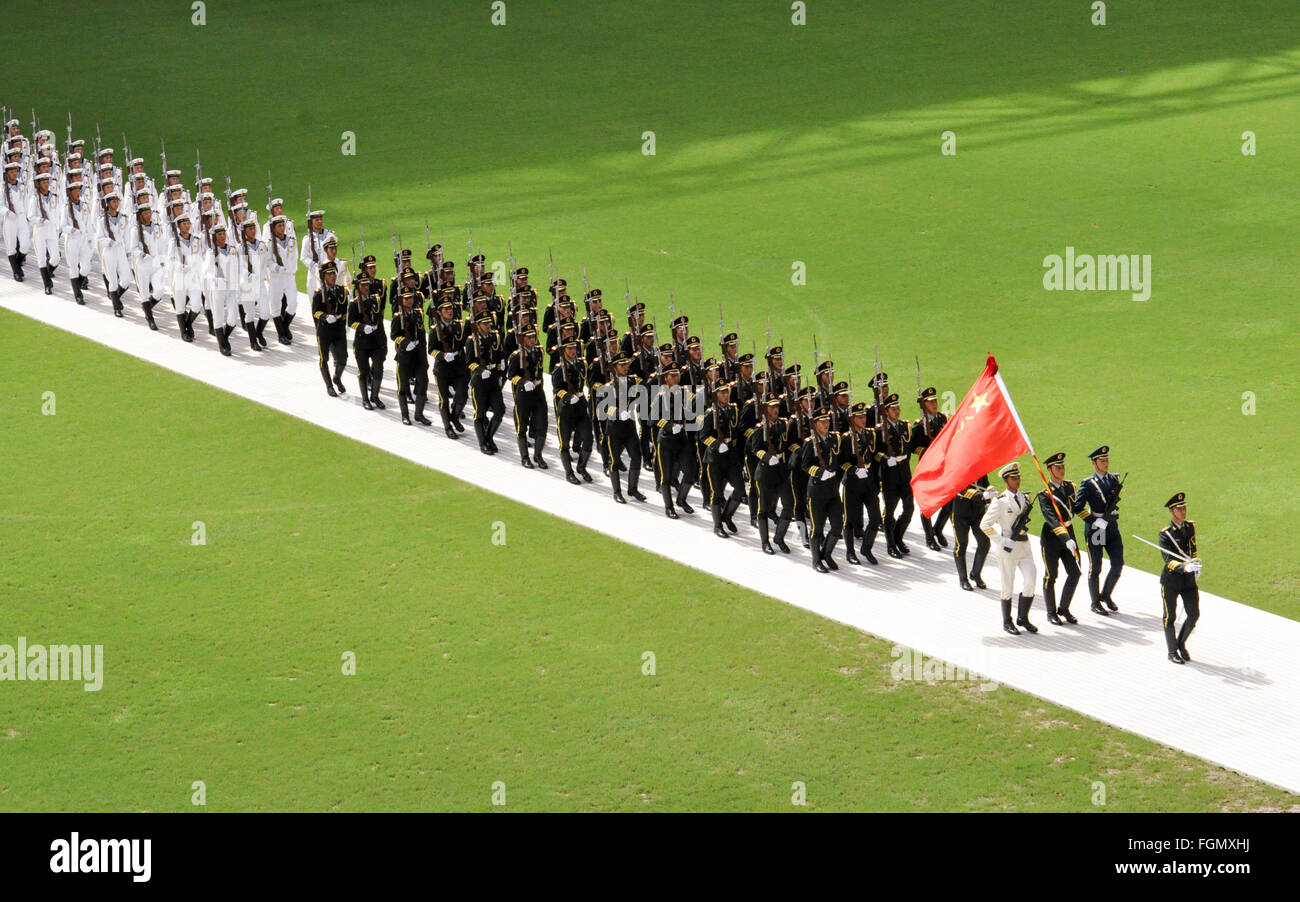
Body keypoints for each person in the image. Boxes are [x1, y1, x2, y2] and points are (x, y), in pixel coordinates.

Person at [982, 462, 1037, 635]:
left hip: (1024, 547)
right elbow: (984, 524)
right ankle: (1007, 621)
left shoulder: (1023, 497)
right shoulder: (999, 502)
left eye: (1018, 477)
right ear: (1006, 481)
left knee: (1030, 581)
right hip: (1008, 549)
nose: (1018, 480)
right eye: (1014, 478)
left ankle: (1023, 617)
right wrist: (1000, 540)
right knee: (1008, 587)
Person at [1075, 445, 1125, 615]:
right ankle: (1095, 602)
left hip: (1111, 527)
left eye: (1107, 460)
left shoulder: (1114, 479)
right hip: (1096, 529)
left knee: (1118, 563)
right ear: (1094, 463)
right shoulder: (1088, 483)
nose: (1106, 463)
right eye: (1102, 461)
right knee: (1096, 566)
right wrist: (1094, 521)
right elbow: (1078, 507)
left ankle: (1106, 595)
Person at [1037, 452, 1081, 625]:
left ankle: (1064, 608)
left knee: (1075, 572)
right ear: (1049, 470)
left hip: (1070, 534)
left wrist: (1094, 520)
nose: (1061, 470)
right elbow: (1052, 519)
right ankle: (1051, 612)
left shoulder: (1070, 486)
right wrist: (1065, 538)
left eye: (1063, 466)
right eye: (1058, 467)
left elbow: (1076, 508)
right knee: (1051, 575)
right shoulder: (1044, 494)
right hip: (1052, 538)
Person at [801, 407, 845, 573]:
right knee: (817, 528)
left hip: (832, 489)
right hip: (817, 490)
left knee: (837, 526)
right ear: (815, 424)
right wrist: (820, 473)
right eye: (822, 421)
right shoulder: (810, 442)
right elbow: (805, 465)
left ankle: (826, 554)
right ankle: (816, 560)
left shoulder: (835, 439)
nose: (826, 424)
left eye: (827, 421)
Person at [1158, 492, 1201, 664]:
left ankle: (1181, 643)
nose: (1183, 511)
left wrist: (1196, 563)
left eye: (1184, 508)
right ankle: (1172, 651)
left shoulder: (1191, 527)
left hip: (1188, 581)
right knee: (1170, 617)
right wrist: (1185, 567)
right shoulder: (1165, 534)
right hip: (1171, 581)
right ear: (1172, 511)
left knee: (1193, 614)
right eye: (1180, 509)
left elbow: (1193, 549)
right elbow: (1168, 561)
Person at [749, 395, 794, 554]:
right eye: (772, 407)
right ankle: (765, 542)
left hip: (781, 470)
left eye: (777, 407)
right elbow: (755, 449)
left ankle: (779, 537)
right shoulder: (760, 428)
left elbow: (788, 443)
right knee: (763, 509)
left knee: (789, 505)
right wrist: (767, 457)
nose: (775, 410)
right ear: (765, 409)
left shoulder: (784, 424)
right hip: (766, 472)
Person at [700, 381, 744, 538]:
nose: (725, 395)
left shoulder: (733, 410)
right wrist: (717, 445)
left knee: (740, 490)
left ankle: (727, 516)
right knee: (716, 493)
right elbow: (703, 436)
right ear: (716, 394)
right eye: (722, 392)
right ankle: (718, 525)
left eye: (727, 392)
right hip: (715, 459)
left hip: (731, 457)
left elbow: (737, 432)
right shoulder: (710, 413)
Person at [840, 402, 880, 565]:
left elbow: (873, 455)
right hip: (852, 482)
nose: (864, 420)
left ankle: (866, 548)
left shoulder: (870, 434)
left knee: (876, 518)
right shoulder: (846, 438)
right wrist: (853, 470)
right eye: (860, 417)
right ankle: (850, 552)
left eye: (864, 416)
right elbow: (840, 462)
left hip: (868, 481)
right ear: (852, 419)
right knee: (849, 520)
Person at [552, 339, 594, 485]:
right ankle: (569, 473)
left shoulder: (581, 364)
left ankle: (581, 467)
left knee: (588, 438)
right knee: (564, 443)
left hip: (581, 406)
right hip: (566, 409)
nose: (572, 351)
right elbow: (557, 390)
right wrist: (569, 397)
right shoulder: (559, 369)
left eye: (574, 348)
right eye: (569, 349)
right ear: (563, 351)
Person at [507, 327, 549, 469]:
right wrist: (523, 383)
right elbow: (511, 375)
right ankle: (524, 457)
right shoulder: (516, 355)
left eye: (534, 337)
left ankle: (538, 455)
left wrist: (539, 385)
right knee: (522, 427)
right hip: (523, 394)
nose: (533, 340)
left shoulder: (538, 351)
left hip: (537, 393)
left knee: (542, 425)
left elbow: (540, 371)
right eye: (529, 337)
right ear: (522, 339)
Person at [392, 289, 431, 426]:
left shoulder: (418, 313)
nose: (409, 300)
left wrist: (424, 357)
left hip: (418, 355)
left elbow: (421, 335)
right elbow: (393, 335)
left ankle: (419, 414)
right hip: (405, 355)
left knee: (423, 383)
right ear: (401, 300)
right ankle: (405, 415)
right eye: (406, 298)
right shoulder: (398, 317)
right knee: (403, 386)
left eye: (411, 298)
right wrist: (404, 342)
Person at [347, 275, 387, 409]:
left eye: (367, 285)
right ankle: (365, 399)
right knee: (363, 372)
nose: (366, 287)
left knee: (378, 369)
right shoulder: (354, 304)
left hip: (375, 342)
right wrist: (363, 327)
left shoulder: (375, 299)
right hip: (362, 344)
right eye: (363, 285)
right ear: (358, 287)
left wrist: (382, 341)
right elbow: (350, 323)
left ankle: (375, 396)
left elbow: (378, 318)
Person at [311, 260, 349, 394]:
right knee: (324, 358)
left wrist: (342, 327)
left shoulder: (342, 291)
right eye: (329, 274)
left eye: (333, 273)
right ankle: (329, 386)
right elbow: (315, 312)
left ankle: (337, 378)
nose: (332, 276)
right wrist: (326, 317)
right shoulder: (319, 293)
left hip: (338, 330)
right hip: (325, 331)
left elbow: (344, 311)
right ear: (324, 277)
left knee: (343, 359)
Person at [952, 477, 994, 591]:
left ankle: (975, 573)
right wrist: (982, 496)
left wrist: (989, 494)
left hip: (978, 512)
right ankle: (963, 579)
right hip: (961, 513)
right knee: (961, 545)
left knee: (984, 543)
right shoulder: (959, 470)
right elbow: (960, 489)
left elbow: (985, 484)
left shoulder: (980, 468)